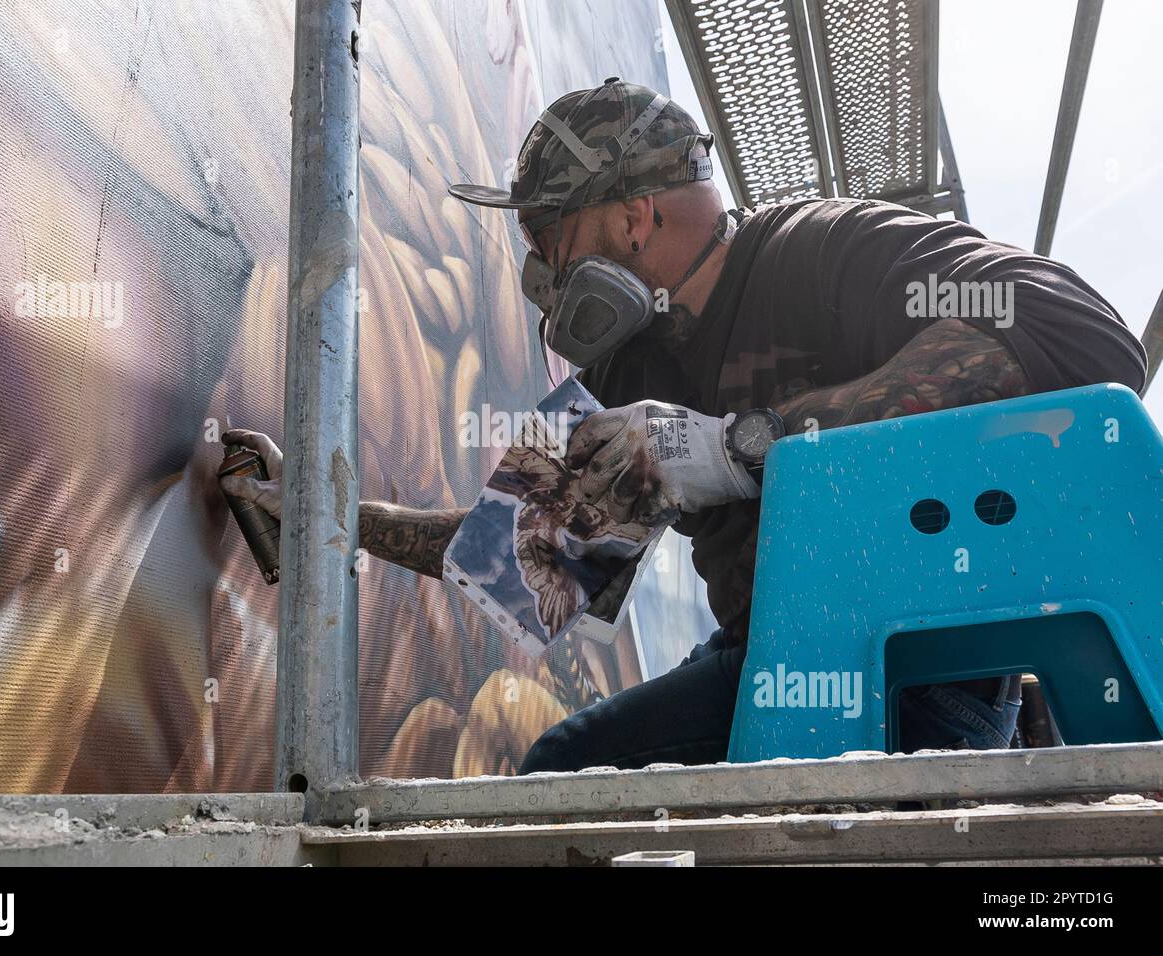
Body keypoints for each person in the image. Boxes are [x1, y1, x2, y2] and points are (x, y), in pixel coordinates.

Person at [224, 78, 1147, 773]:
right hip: (766, 652)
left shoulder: (824, 252)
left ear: (634, 215)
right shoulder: (637, 366)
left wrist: (743, 445)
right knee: (565, 779)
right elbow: (513, 559)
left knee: (872, 833)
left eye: (549, 240)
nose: (538, 275)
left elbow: (1083, 335)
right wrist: (317, 511)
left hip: (922, 653)